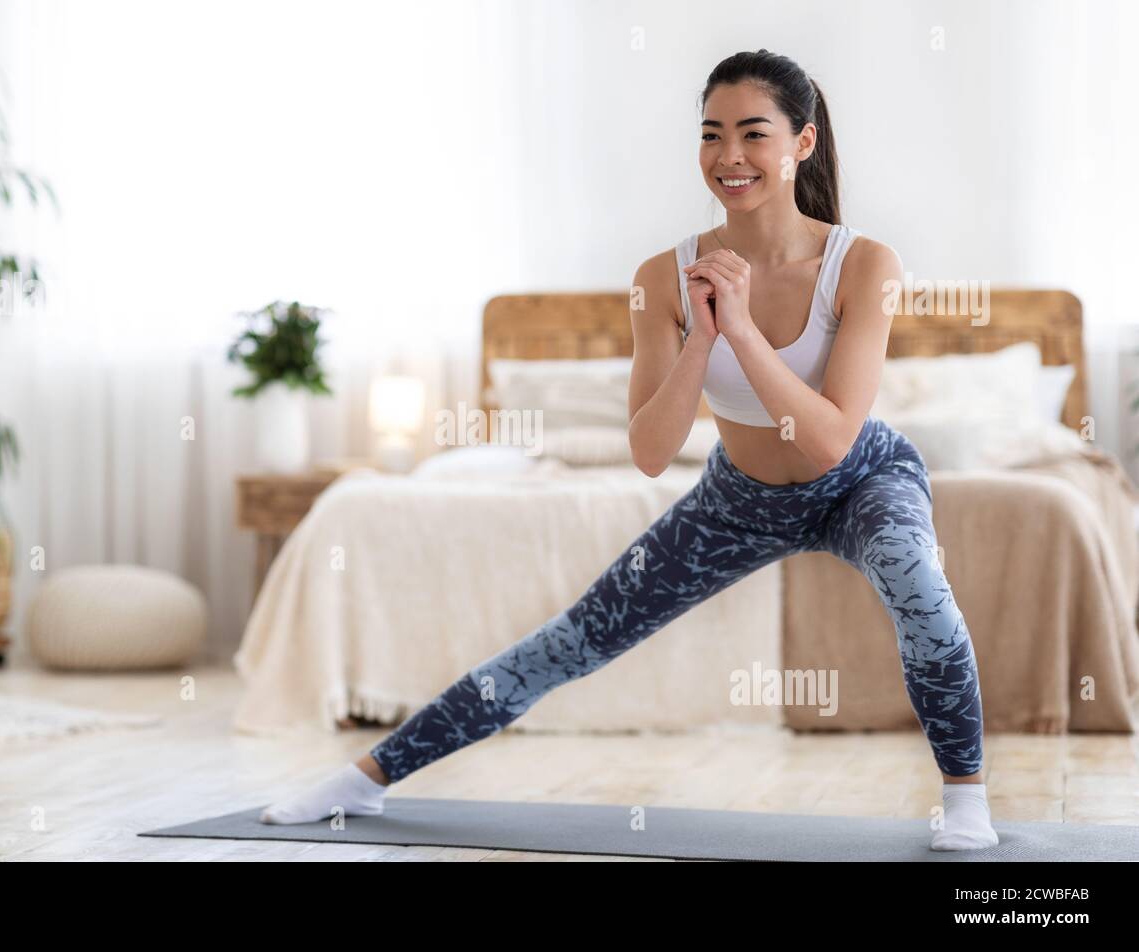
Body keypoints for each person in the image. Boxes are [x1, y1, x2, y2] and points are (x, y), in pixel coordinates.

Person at [260, 49, 998, 852]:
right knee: (575, 639)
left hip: (861, 480)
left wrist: (744, 330)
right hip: (740, 499)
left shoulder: (864, 264)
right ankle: (362, 780)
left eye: (754, 133)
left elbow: (827, 439)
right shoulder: (662, 276)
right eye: (712, 135)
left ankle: (965, 799)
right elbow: (650, 450)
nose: (730, 157)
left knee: (921, 590)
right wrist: (701, 334)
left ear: (803, 144)